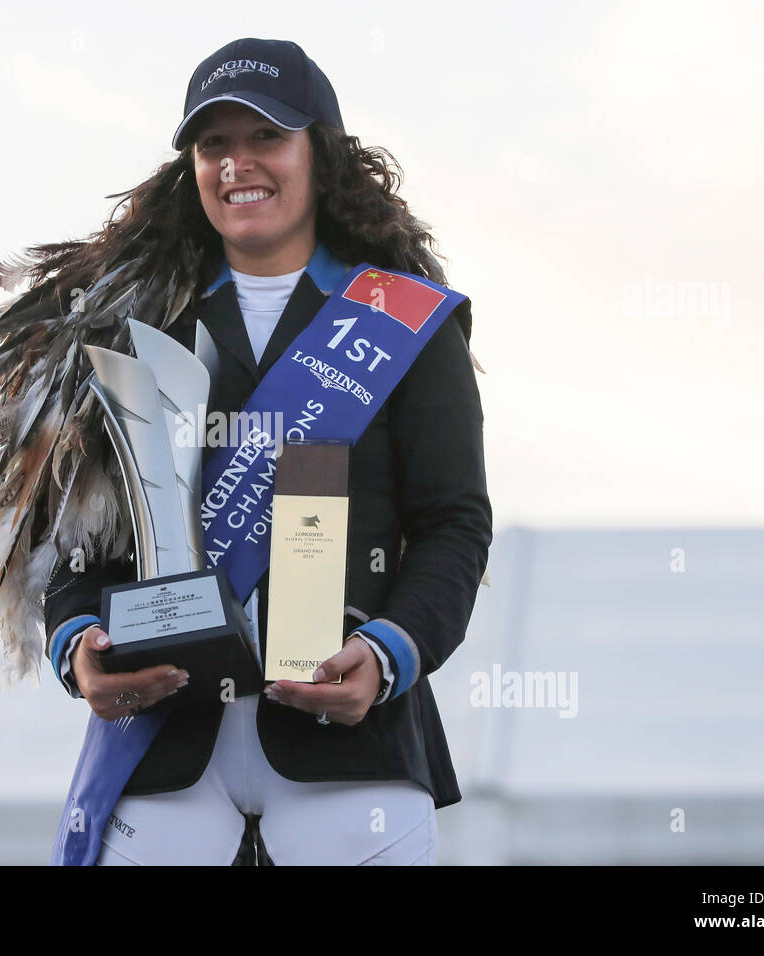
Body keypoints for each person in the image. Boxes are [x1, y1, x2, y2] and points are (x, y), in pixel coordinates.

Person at [38, 38, 493, 865]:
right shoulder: (134, 330)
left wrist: (390, 653)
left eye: (267, 138)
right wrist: (79, 648)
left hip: (354, 752)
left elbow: (456, 525)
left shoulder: (407, 322)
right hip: (166, 746)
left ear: (321, 154)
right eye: (215, 144)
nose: (238, 163)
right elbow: (82, 538)